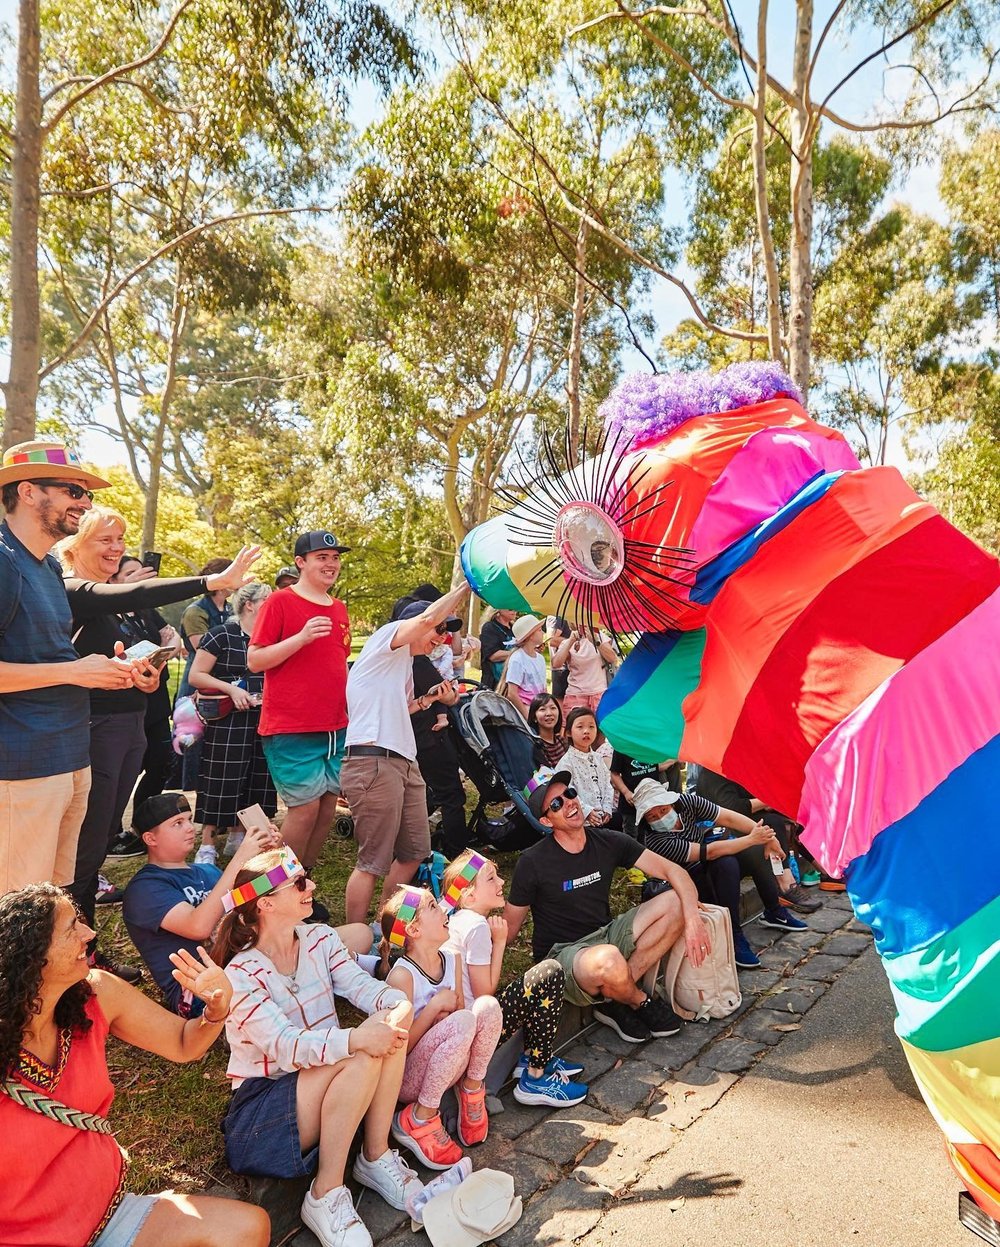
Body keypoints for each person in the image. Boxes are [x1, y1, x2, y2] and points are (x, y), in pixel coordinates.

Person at [0, 882, 270, 1247]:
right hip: (22, 1237)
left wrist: (216, 1011)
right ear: (32, 955)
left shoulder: (95, 994)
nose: (90, 933)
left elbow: (182, 1043)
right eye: (71, 928)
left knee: (246, 1228)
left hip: (106, 1214)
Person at [59, 509, 260, 979]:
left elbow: (130, 662)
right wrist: (211, 580)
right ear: (75, 545)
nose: (115, 548)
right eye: (104, 540)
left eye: (120, 539)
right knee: (86, 848)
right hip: (93, 730)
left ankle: (81, 953)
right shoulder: (74, 591)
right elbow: (134, 589)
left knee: (103, 836)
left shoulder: (123, 609)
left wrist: (146, 680)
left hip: (129, 724)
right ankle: (75, 957)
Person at [214, 848, 420, 1247]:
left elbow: (360, 987)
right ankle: (325, 1194)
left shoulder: (320, 938)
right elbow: (285, 1046)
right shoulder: (239, 973)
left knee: (387, 1031)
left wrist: (395, 1004)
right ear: (266, 903)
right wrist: (355, 1038)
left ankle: (375, 1157)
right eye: (300, 884)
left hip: (321, 1078)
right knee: (361, 1052)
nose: (312, 887)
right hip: (264, 1109)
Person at [0, 440, 151, 895]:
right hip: (24, 768)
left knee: (56, 896)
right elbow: (59, 669)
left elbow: (51, 657)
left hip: (70, 754)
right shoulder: (3, 561)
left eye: (87, 494)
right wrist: (72, 673)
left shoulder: (46, 568)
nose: (85, 503)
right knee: (20, 902)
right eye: (72, 490)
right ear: (27, 492)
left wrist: (113, 668)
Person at [504, 768, 711, 1045]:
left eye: (570, 794)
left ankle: (613, 997)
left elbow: (675, 872)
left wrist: (693, 919)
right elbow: (509, 929)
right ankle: (638, 1000)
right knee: (609, 959)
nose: (569, 803)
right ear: (546, 820)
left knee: (675, 901)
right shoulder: (532, 862)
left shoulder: (608, 841)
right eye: (556, 804)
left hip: (607, 936)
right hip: (565, 955)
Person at [340, 584, 469, 925]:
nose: (440, 638)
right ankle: (353, 941)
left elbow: (405, 707)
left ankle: (386, 924)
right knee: (372, 862)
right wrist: (468, 584)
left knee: (414, 853)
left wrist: (429, 701)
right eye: (438, 630)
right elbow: (428, 617)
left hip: (405, 763)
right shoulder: (385, 640)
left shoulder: (404, 667)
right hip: (372, 760)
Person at [442, 850, 588, 1108]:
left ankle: (531, 1057)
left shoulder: (459, 919)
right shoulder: (475, 927)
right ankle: (535, 1076)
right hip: (476, 1031)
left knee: (536, 981)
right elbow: (484, 992)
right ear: (469, 894)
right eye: (491, 879)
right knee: (550, 973)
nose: (501, 883)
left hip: (464, 1025)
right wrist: (499, 942)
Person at [247, 530, 352, 869]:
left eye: (335, 558)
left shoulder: (339, 607)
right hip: (292, 725)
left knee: (326, 806)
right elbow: (255, 659)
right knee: (304, 809)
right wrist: (301, 638)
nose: (331, 564)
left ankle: (302, 881)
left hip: (336, 727)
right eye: (322, 557)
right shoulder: (280, 601)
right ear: (300, 562)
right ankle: (278, 888)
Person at [122, 792, 279, 1015]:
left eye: (188, 819)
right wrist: (240, 858)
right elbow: (198, 927)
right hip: (201, 991)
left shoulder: (209, 871)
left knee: (332, 938)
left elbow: (262, 897)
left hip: (249, 960)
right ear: (151, 839)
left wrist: (273, 854)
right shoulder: (145, 888)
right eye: (177, 823)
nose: (189, 827)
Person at [631, 777, 809, 970]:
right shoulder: (656, 841)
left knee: (752, 853)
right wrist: (753, 839)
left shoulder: (688, 802)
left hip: (709, 865)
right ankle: (733, 932)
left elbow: (728, 817)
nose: (660, 817)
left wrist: (767, 839)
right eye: (652, 816)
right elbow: (709, 851)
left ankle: (773, 910)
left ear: (672, 803)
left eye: (663, 810)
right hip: (688, 885)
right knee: (726, 862)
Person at [380, 885, 502, 1167]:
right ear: (413, 929)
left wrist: (447, 1019)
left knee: (487, 1006)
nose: (444, 910)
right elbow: (399, 1047)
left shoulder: (452, 958)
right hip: (412, 1078)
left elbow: (460, 1013)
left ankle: (472, 1090)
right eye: (433, 907)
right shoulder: (402, 977)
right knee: (461, 1020)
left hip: (451, 1062)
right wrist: (433, 1010)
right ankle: (420, 1116)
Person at [189, 582, 276, 864]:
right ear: (248, 604)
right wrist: (232, 690)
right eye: (267, 599)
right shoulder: (222, 634)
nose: (272, 604)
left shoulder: (272, 637)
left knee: (257, 776)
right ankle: (207, 844)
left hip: (263, 717)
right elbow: (196, 675)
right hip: (228, 718)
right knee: (221, 777)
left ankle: (242, 836)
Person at [108, 556, 183, 839]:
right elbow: (140, 651)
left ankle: (142, 826)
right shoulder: (109, 613)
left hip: (156, 700)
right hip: (125, 703)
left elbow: (172, 641)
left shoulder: (148, 610)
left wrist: (167, 646)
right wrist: (164, 646)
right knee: (123, 768)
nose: (139, 577)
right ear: (113, 582)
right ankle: (112, 832)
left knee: (160, 762)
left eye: (141, 571)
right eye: (130, 573)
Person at [693, 766, 825, 908]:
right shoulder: (713, 772)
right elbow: (732, 809)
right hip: (721, 829)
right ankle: (786, 885)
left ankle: (825, 870)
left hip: (745, 820)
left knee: (793, 820)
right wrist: (768, 801)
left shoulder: (743, 766)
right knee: (773, 824)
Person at [407, 610, 468, 859]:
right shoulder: (416, 662)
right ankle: (457, 854)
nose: (443, 637)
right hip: (428, 738)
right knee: (452, 795)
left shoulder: (408, 660)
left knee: (424, 793)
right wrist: (448, 697)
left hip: (417, 738)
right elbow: (445, 693)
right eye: (439, 630)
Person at [175, 557, 235, 794]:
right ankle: (194, 792)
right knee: (195, 738)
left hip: (224, 681)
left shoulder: (231, 608)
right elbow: (204, 645)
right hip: (197, 682)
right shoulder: (195, 611)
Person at [556, 707, 620, 827]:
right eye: (580, 727)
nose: (586, 731)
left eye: (591, 726)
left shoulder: (598, 758)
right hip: (582, 822)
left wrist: (607, 808)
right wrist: (587, 812)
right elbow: (566, 791)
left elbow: (607, 784)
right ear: (569, 732)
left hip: (604, 817)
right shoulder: (566, 763)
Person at [550, 627, 618, 714]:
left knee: (599, 726)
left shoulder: (600, 637)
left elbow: (612, 658)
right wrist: (570, 641)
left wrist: (596, 641)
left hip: (599, 693)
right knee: (574, 725)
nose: (581, 625)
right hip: (576, 695)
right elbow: (556, 664)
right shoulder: (568, 642)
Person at [501, 614, 547, 714]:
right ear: (530, 636)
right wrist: (527, 717)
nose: (543, 632)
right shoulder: (517, 659)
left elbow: (544, 688)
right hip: (525, 709)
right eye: (539, 630)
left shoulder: (540, 658)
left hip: (539, 709)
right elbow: (512, 693)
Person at [478, 606, 516, 691]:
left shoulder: (514, 628)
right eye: (510, 608)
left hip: (513, 680)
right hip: (494, 682)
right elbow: (493, 656)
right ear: (498, 609)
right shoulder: (489, 627)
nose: (514, 610)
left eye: (515, 607)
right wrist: (517, 652)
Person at [527, 693, 567, 768]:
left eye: (553, 708)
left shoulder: (562, 741)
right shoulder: (535, 746)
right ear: (534, 717)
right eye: (542, 709)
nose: (549, 713)